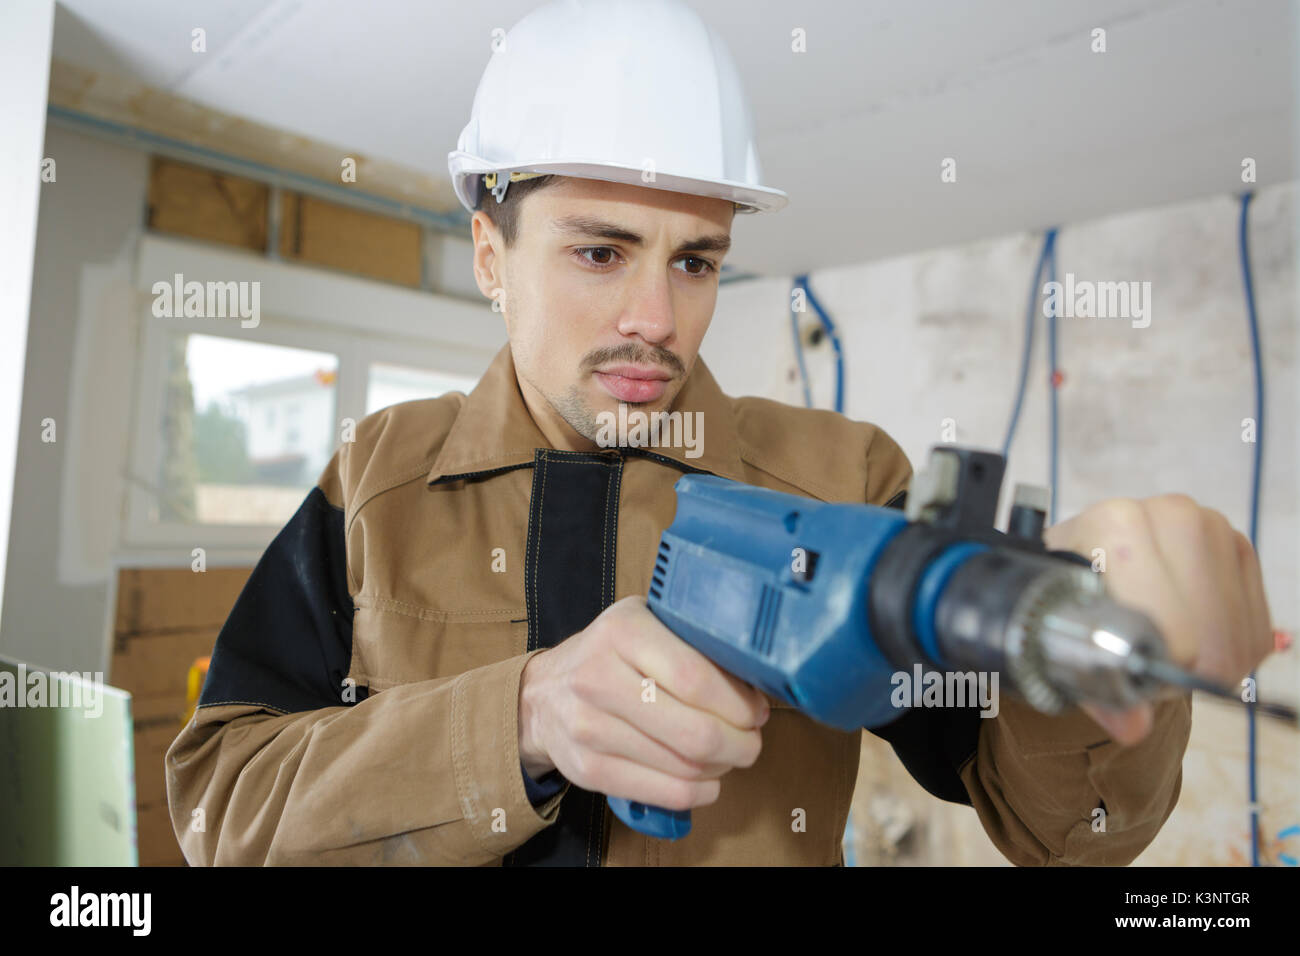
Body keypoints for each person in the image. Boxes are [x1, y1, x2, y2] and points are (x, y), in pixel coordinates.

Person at [165, 0, 1273, 866]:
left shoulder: (841, 478)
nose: (657, 317)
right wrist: (521, 720)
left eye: (695, 259)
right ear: (491, 257)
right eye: (601, 251)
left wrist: (1076, 643)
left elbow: (1065, 834)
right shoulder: (376, 477)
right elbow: (221, 808)